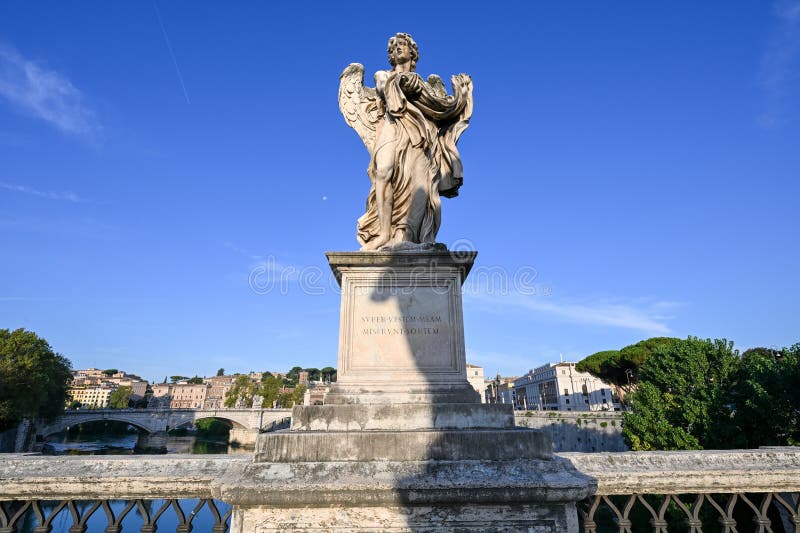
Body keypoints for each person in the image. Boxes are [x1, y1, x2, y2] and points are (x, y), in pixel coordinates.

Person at [339, 33, 473, 250]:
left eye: (402, 45)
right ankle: (383, 233)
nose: (397, 49)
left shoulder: (424, 86)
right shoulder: (382, 75)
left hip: (420, 135)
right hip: (392, 125)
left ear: (413, 52)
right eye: (393, 47)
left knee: (420, 183)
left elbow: (442, 108)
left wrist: (462, 95)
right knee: (382, 172)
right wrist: (402, 83)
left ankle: (406, 234)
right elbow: (384, 87)